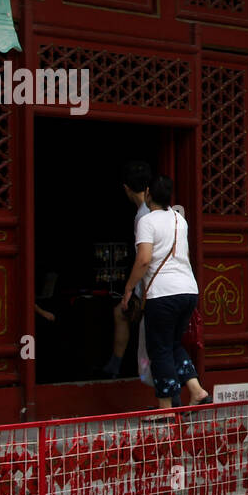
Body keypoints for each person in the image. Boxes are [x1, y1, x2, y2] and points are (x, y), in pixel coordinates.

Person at [122, 175, 210, 408]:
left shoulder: (147, 222)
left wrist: (129, 288)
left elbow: (143, 260)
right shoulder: (179, 220)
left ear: (148, 192)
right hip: (188, 290)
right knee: (173, 344)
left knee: (159, 349)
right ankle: (197, 390)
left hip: (162, 294)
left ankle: (166, 407)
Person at [104, 160, 153, 378]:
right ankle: (115, 366)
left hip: (151, 287)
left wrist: (131, 290)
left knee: (158, 343)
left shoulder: (143, 216)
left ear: (126, 188)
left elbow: (143, 259)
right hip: (164, 286)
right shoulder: (158, 211)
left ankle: (116, 366)